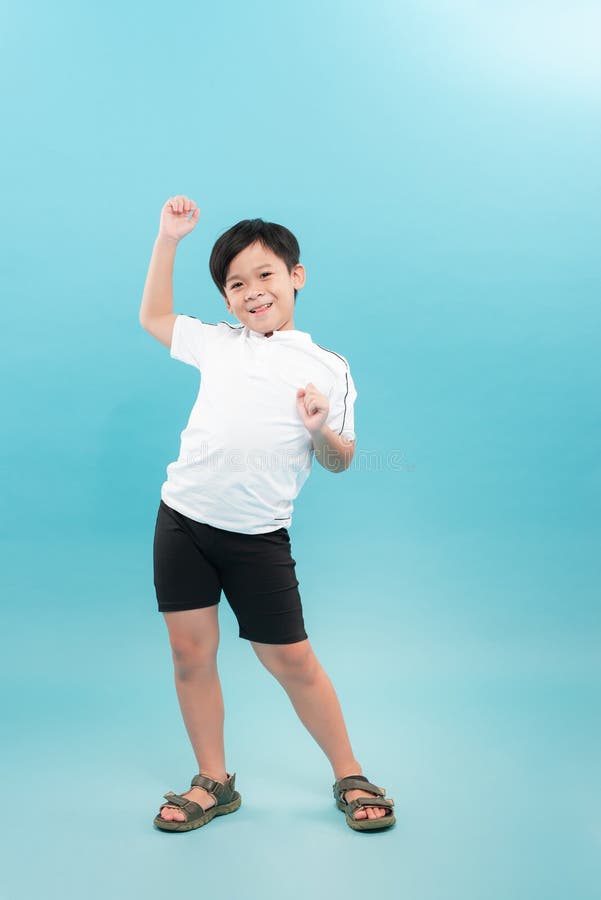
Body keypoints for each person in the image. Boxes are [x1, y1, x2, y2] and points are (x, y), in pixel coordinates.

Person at [139, 195, 395, 833]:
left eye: (265, 275)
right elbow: (154, 315)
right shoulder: (217, 344)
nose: (252, 292)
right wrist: (168, 238)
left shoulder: (325, 368)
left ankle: (350, 774)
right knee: (190, 655)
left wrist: (319, 430)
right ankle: (214, 781)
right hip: (183, 523)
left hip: (256, 539)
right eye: (235, 283)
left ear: (296, 277)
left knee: (291, 660)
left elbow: (339, 462)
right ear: (226, 299)